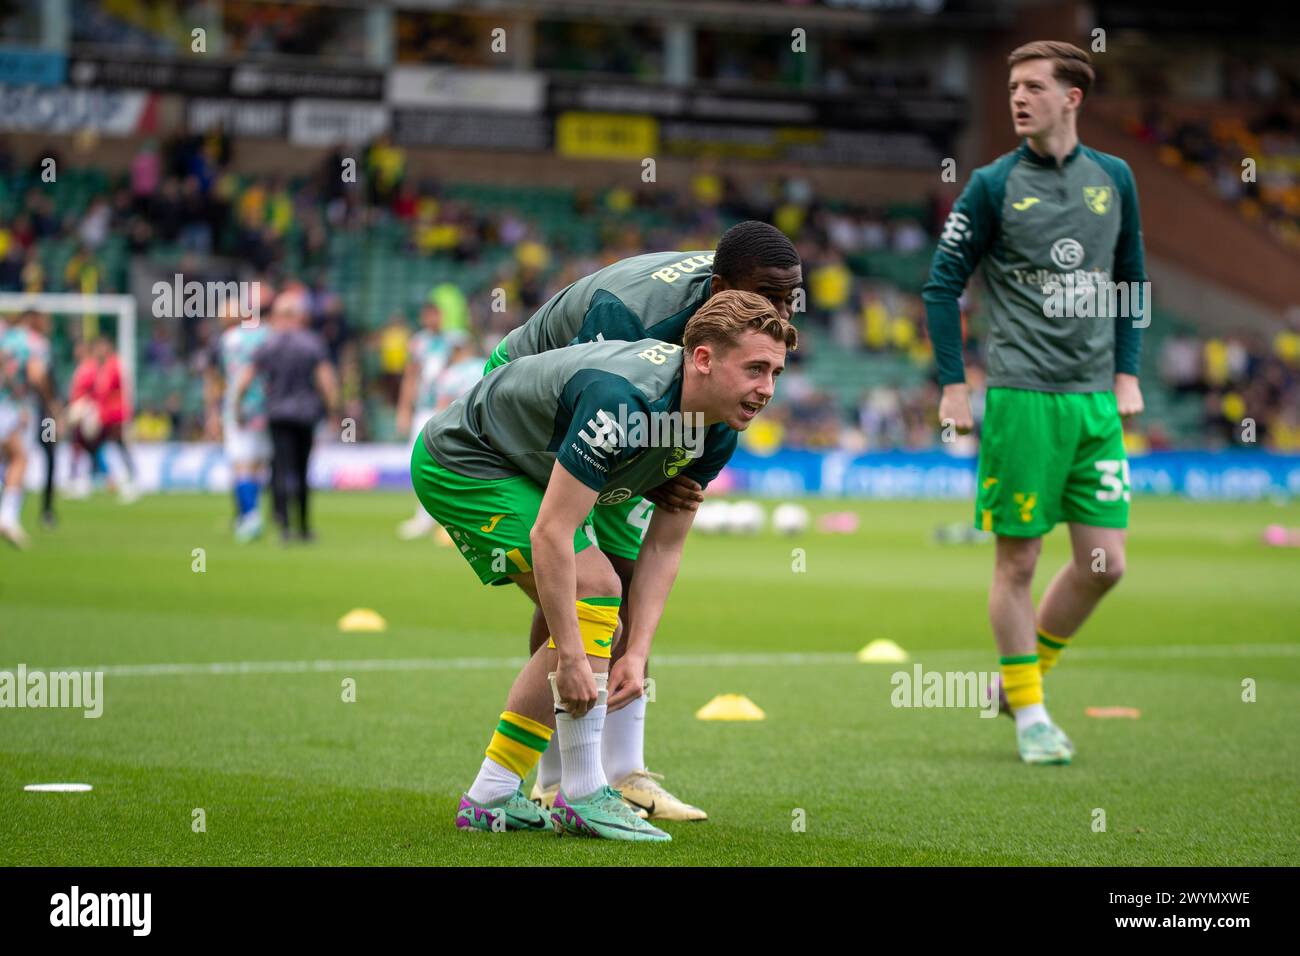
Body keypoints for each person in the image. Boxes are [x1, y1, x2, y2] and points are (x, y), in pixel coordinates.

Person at [412, 290, 795, 839]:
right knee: (593, 589)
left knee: (604, 618)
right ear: (704, 359)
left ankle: (491, 797)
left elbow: (662, 548)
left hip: (526, 467)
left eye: (776, 373)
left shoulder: (715, 428)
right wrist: (569, 655)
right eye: (756, 369)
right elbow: (552, 532)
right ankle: (583, 792)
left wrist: (635, 652)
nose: (767, 389)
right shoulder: (622, 399)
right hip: (466, 459)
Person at [487, 219, 802, 821]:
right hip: (526, 399)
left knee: (623, 581)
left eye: (790, 297)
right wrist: (653, 474)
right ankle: (556, 779)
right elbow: (590, 405)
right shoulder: (631, 319)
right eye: (769, 296)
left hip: (620, 409)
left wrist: (666, 466)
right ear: (717, 286)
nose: (783, 311)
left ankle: (623, 773)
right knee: (588, 579)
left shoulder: (735, 320)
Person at [921, 41, 1147, 765]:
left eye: (1033, 86)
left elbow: (1132, 279)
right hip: (1021, 398)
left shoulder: (1115, 178)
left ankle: (1020, 680)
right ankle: (1032, 717)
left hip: (1094, 404)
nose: (1018, 97)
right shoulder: (990, 184)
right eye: (1012, 86)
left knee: (1106, 564)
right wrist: (955, 384)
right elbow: (940, 284)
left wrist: (1128, 372)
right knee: (1017, 563)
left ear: (1071, 97)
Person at [238, 287, 338, 543]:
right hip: (305, 415)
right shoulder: (312, 342)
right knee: (302, 470)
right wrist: (334, 408)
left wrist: (237, 405)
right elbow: (326, 380)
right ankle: (303, 527)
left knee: (280, 468)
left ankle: (282, 525)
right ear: (300, 316)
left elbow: (246, 378)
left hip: (278, 413)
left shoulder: (268, 344)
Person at [207, 301, 271, 542]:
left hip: (239, 408)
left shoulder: (227, 340)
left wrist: (215, 412)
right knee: (257, 465)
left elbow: (214, 378)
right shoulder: (267, 334)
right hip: (265, 409)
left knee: (240, 465)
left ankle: (250, 516)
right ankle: (248, 515)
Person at [0, 311, 54, 547]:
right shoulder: (35, 343)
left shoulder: (5, 336)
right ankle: (8, 517)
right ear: (34, 319)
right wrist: (49, 402)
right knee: (20, 458)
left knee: (9, 458)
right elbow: (35, 374)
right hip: (11, 407)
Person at [394, 302, 448, 540]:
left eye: (435, 315)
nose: (432, 319)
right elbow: (410, 376)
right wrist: (404, 409)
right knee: (419, 460)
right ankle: (423, 515)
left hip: (448, 407)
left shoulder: (453, 341)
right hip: (424, 408)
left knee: (445, 460)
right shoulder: (418, 343)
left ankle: (445, 517)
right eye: (428, 315)